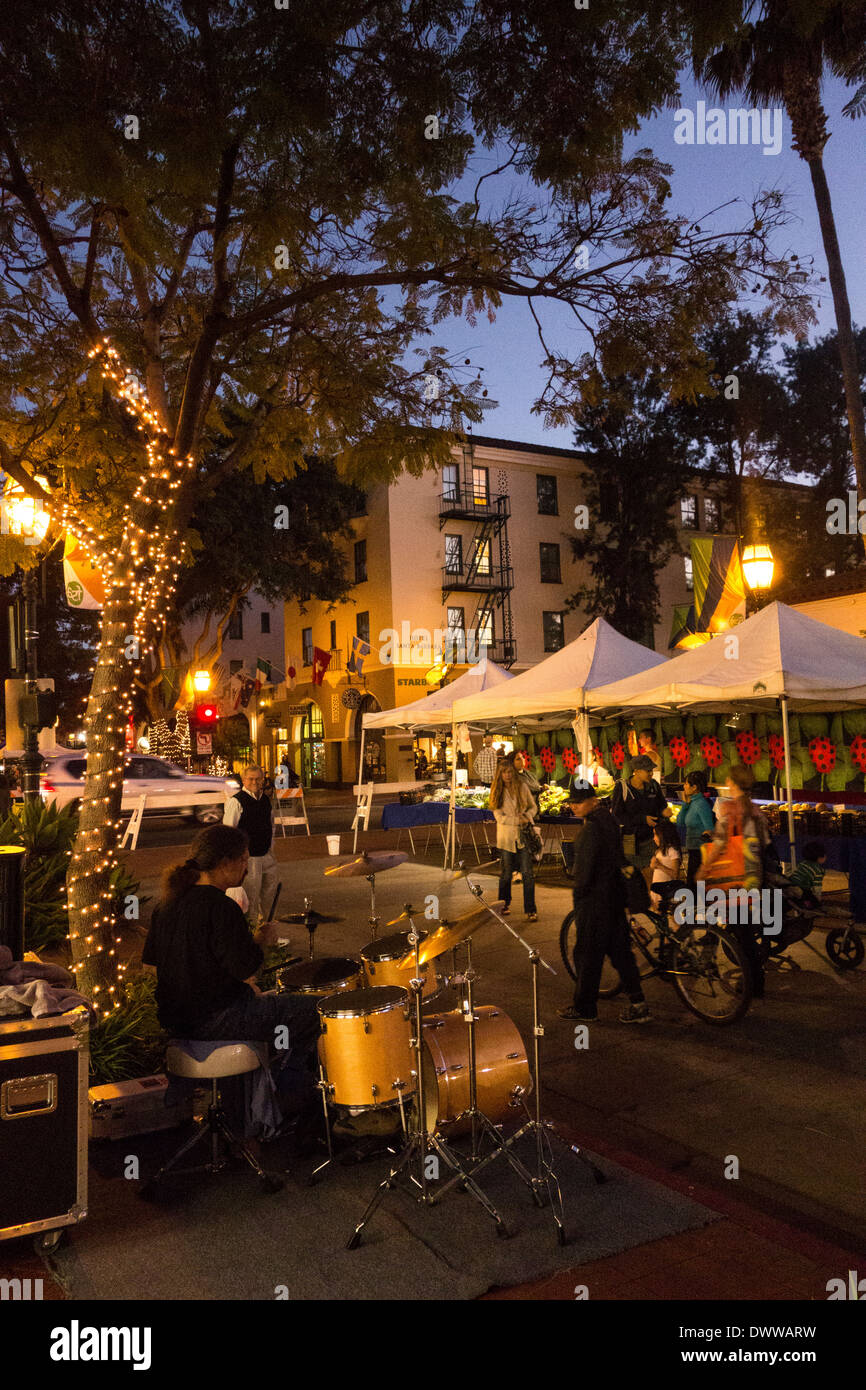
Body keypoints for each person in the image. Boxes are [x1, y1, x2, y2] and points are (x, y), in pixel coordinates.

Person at [141, 823, 319, 1072]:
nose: (246, 868)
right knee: (316, 1010)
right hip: (217, 1019)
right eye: (244, 860)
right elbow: (245, 967)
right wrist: (262, 942)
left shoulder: (166, 905)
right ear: (225, 863)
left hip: (176, 1021)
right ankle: (289, 1090)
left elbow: (150, 965)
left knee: (273, 1005)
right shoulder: (221, 907)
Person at [558, 785, 650, 1024]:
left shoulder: (592, 829)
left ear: (593, 800)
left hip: (595, 901)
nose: (574, 805)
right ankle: (638, 1003)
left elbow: (584, 873)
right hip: (615, 898)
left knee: (588, 955)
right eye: (572, 801)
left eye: (579, 801)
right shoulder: (608, 819)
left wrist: (579, 897)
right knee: (621, 953)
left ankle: (585, 1008)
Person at [696, 763, 770, 998]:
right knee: (745, 933)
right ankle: (755, 982)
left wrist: (703, 869)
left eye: (728, 779)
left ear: (733, 783)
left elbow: (719, 844)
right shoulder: (757, 812)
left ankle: (750, 984)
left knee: (740, 934)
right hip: (753, 879)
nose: (726, 782)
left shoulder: (730, 810)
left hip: (733, 880)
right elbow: (765, 844)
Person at [223, 764, 279, 925]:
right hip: (249, 857)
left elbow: (271, 825)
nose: (255, 782)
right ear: (243, 780)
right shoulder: (236, 802)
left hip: (267, 854)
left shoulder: (265, 801)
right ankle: (252, 931)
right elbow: (229, 831)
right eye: (251, 779)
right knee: (251, 896)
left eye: (258, 779)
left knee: (270, 893)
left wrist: (271, 848)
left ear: (263, 780)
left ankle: (268, 927)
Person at [489, 761, 538, 920]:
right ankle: (503, 904)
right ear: (500, 774)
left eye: (510, 772)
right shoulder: (497, 791)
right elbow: (498, 817)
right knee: (506, 874)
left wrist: (527, 816)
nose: (508, 775)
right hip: (506, 838)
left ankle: (531, 909)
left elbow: (533, 806)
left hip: (523, 836)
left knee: (528, 874)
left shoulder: (522, 787)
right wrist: (516, 820)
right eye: (504, 772)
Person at [610, 754, 672, 878]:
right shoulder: (622, 788)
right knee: (631, 877)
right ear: (637, 771)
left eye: (652, 771)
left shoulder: (653, 786)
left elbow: (661, 807)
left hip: (650, 840)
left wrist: (664, 812)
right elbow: (617, 816)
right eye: (648, 771)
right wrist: (643, 819)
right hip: (629, 841)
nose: (651, 774)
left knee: (650, 874)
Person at [678, 770, 716, 884]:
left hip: (700, 852)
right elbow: (680, 822)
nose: (684, 786)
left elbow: (710, 828)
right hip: (693, 850)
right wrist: (685, 803)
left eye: (686, 784)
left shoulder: (701, 804)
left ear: (694, 787)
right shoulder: (693, 803)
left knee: (694, 886)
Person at [649, 819, 683, 912]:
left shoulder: (672, 851)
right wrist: (653, 865)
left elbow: (675, 874)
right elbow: (655, 869)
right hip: (658, 889)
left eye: (655, 835)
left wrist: (659, 865)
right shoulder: (659, 851)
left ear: (663, 835)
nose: (654, 838)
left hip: (667, 891)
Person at [788, 842, 827, 908]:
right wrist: (818, 899)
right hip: (801, 889)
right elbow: (817, 887)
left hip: (790, 885)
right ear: (820, 857)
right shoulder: (818, 870)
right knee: (813, 899)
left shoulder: (803, 863)